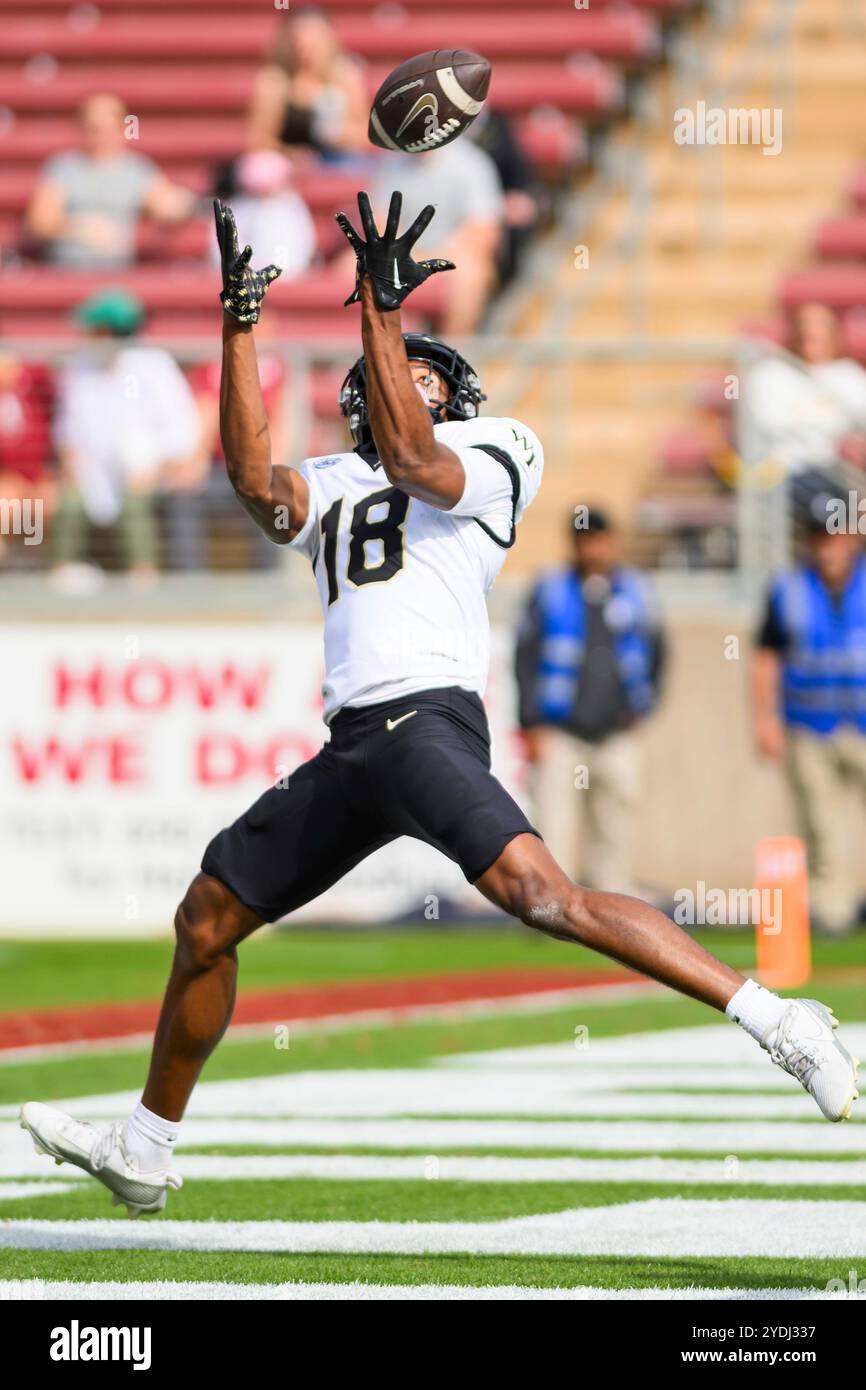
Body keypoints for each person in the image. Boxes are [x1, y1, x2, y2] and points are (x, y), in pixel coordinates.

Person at [21, 191, 859, 1217]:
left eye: (418, 372)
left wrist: (377, 309)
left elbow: (419, 458)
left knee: (544, 900)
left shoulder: (499, 450)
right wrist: (239, 329)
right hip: (352, 747)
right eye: (387, 371)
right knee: (204, 919)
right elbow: (251, 481)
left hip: (425, 721)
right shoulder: (332, 475)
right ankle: (147, 1145)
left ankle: (778, 1020)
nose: (398, 382)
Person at [516, 507, 665, 893]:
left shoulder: (636, 591)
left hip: (617, 731)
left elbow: (659, 651)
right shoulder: (550, 589)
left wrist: (644, 706)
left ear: (611, 542)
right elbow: (526, 657)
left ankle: (612, 912)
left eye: (599, 538)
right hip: (562, 731)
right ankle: (552, 911)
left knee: (615, 828)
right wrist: (531, 724)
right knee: (555, 826)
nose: (593, 547)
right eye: (585, 539)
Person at [753, 493, 866, 935]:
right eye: (818, 537)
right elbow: (766, 658)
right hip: (808, 724)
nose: (827, 547)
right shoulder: (788, 588)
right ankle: (833, 914)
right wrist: (765, 721)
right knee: (821, 825)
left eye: (834, 536)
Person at [53, 289, 200, 584]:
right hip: (92, 471)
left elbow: (181, 431)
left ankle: (143, 577)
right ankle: (63, 574)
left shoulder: (155, 366)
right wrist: (72, 460)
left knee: (135, 503)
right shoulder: (78, 367)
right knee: (70, 503)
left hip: (149, 469)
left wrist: (154, 466)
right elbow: (68, 427)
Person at [25, 92, 194, 268]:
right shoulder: (63, 167)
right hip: (65, 273)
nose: (101, 136)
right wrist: (78, 230)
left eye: (108, 127)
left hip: (116, 275)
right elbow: (39, 223)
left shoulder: (136, 169)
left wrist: (181, 205)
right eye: (94, 128)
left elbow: (167, 204)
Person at [371, 143, 504, 334]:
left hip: (454, 258)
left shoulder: (472, 162)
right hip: (404, 255)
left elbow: (483, 231)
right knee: (351, 267)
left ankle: (451, 355)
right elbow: (381, 226)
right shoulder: (390, 166)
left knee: (470, 274)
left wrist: (434, 256)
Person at [245, 7, 369, 160]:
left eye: (315, 38)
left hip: (338, 160)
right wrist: (291, 154)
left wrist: (339, 133)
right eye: (301, 38)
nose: (308, 45)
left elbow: (365, 136)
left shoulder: (346, 75)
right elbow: (258, 140)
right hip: (287, 164)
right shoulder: (275, 80)